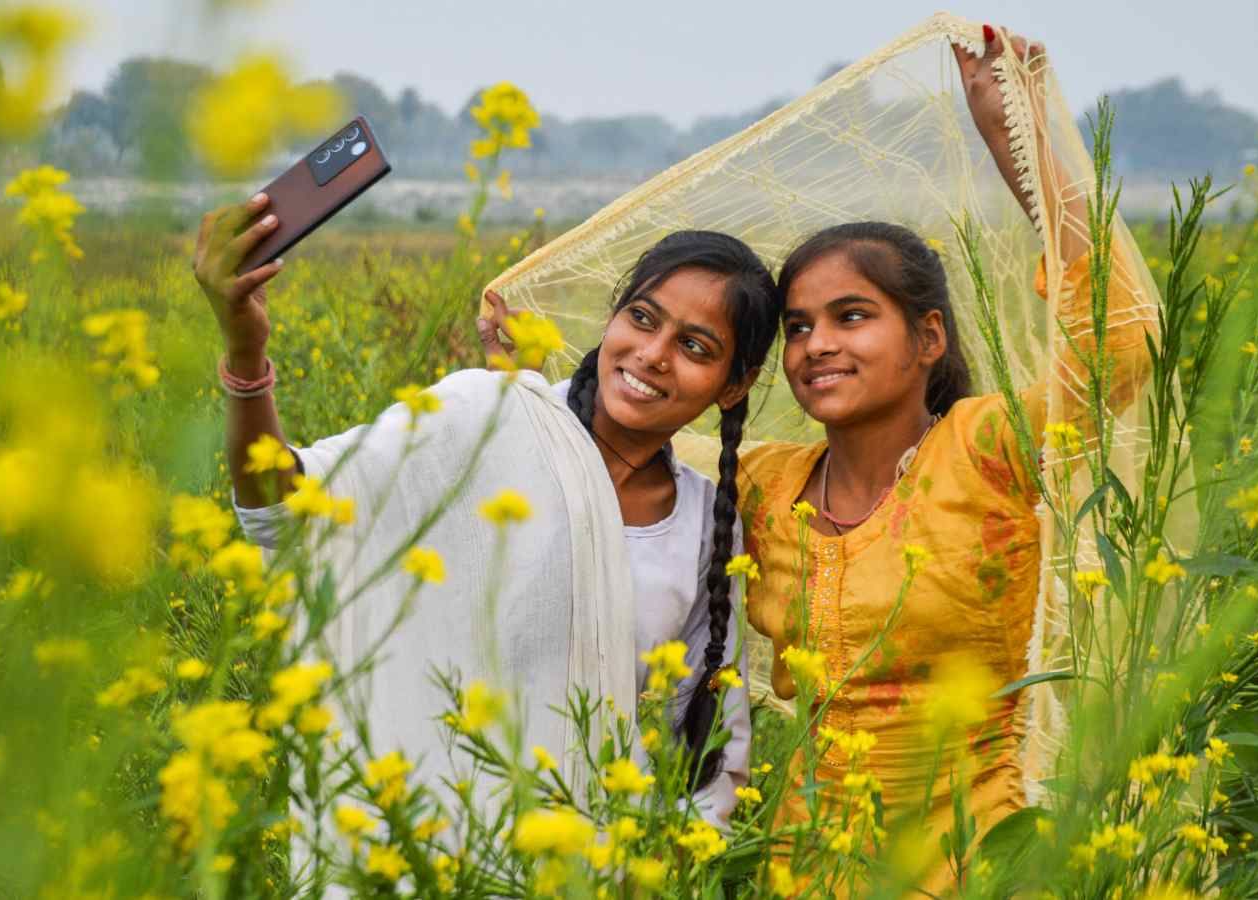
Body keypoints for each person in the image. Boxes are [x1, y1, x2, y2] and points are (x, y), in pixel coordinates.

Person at [737, 26, 1155, 892]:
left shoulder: (984, 448)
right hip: (807, 864)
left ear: (929, 338)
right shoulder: (766, 484)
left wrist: (1017, 138)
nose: (817, 345)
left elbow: (1120, 342)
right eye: (798, 327)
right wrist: (525, 370)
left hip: (973, 856)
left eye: (852, 316)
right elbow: (623, 453)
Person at [193, 217, 780, 826]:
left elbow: (714, 755)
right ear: (612, 317)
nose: (653, 355)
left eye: (694, 348)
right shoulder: (484, 415)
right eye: (642, 318)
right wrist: (245, 356)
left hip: (594, 858)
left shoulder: (704, 525)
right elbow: (285, 511)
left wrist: (667, 858)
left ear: (733, 386)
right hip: (431, 835)